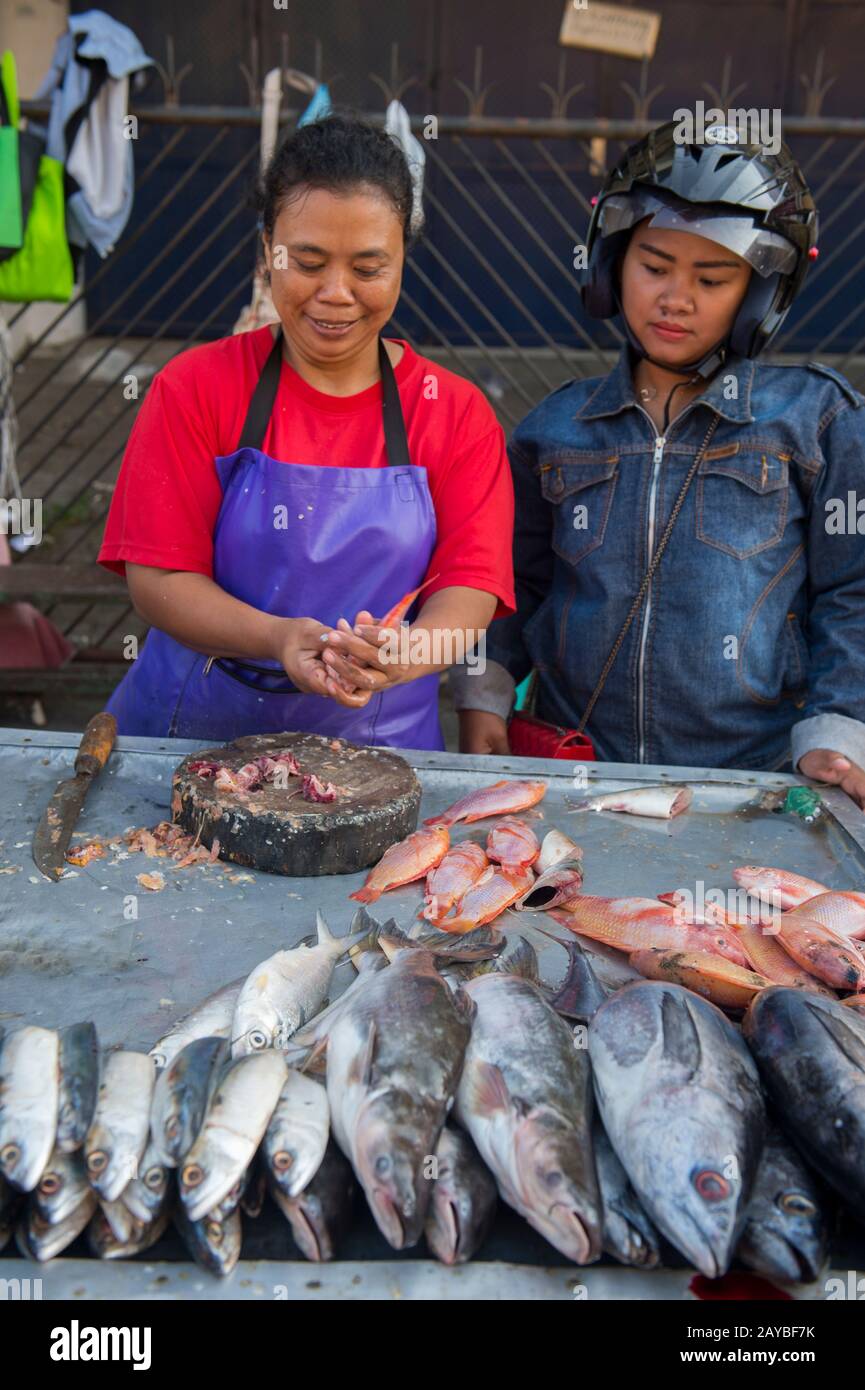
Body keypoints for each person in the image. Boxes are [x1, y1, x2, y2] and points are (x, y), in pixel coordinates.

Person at [452, 120, 865, 809]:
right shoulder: (552, 428)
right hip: (574, 776)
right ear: (610, 262)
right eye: (653, 266)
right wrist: (482, 693)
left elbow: (852, 593)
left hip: (754, 784)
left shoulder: (817, 421)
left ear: (761, 294)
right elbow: (504, 583)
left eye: (711, 277)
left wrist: (839, 729)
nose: (675, 298)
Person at [98, 113, 514, 748]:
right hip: (186, 741)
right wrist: (279, 638)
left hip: (382, 752)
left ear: (403, 257)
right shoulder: (193, 389)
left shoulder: (454, 413)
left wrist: (408, 653)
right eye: (309, 261)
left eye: (369, 268)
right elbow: (157, 583)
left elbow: (472, 589)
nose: (336, 293)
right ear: (268, 251)